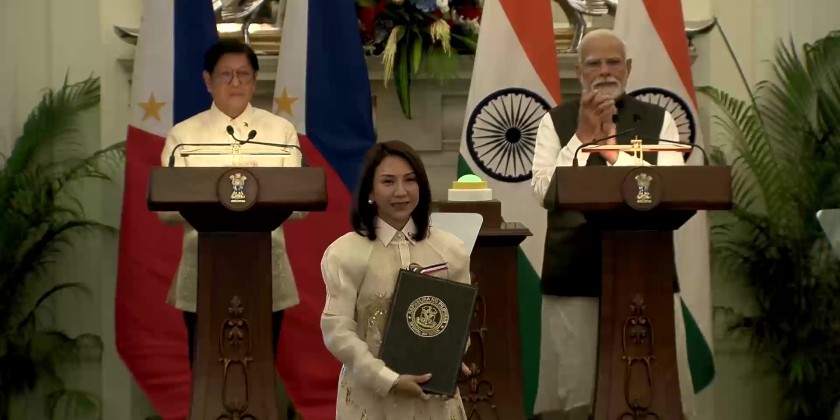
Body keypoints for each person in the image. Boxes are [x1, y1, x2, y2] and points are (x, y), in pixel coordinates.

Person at [530, 29, 695, 419]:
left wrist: (612, 154)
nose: (605, 71)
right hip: (574, 271)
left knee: (652, 388)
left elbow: (665, 189)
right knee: (577, 396)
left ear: (629, 68)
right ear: (578, 71)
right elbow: (544, 191)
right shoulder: (555, 122)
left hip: (645, 272)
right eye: (594, 63)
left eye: (613, 62)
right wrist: (583, 140)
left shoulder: (659, 119)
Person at [157, 39, 303, 365]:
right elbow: (166, 209)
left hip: (265, 267)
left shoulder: (280, 132)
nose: (235, 82)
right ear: (208, 81)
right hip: (203, 270)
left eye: (244, 74)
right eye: (226, 75)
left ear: (255, 79)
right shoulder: (184, 137)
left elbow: (300, 203)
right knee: (207, 371)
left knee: (260, 366)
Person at [319, 140, 471, 419]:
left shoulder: (451, 250)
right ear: (370, 191)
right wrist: (385, 379)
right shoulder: (344, 253)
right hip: (371, 398)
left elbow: (460, 322)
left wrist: (453, 357)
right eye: (388, 182)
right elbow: (337, 331)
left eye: (410, 180)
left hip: (434, 399)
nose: (401, 192)